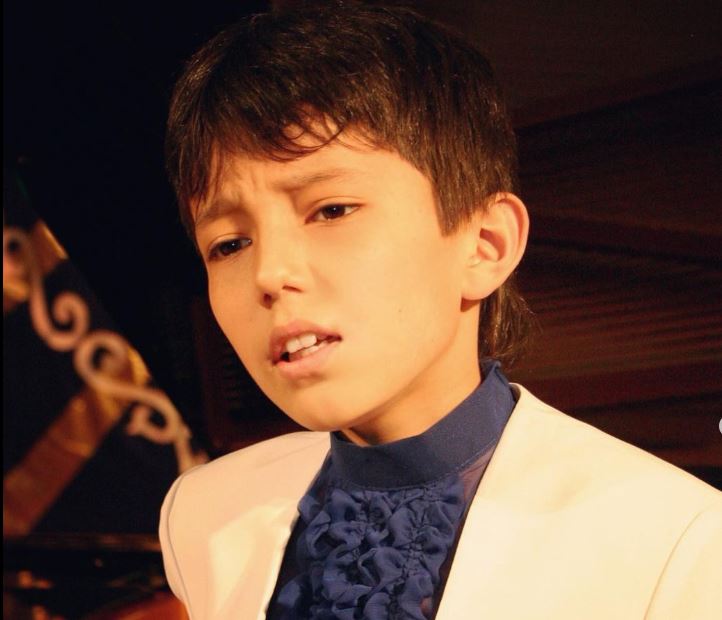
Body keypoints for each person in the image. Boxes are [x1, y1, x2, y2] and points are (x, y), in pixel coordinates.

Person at [158, 3, 722, 619]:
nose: (268, 274)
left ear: (485, 245)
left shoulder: (678, 543)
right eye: (229, 244)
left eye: (331, 210)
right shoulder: (203, 516)